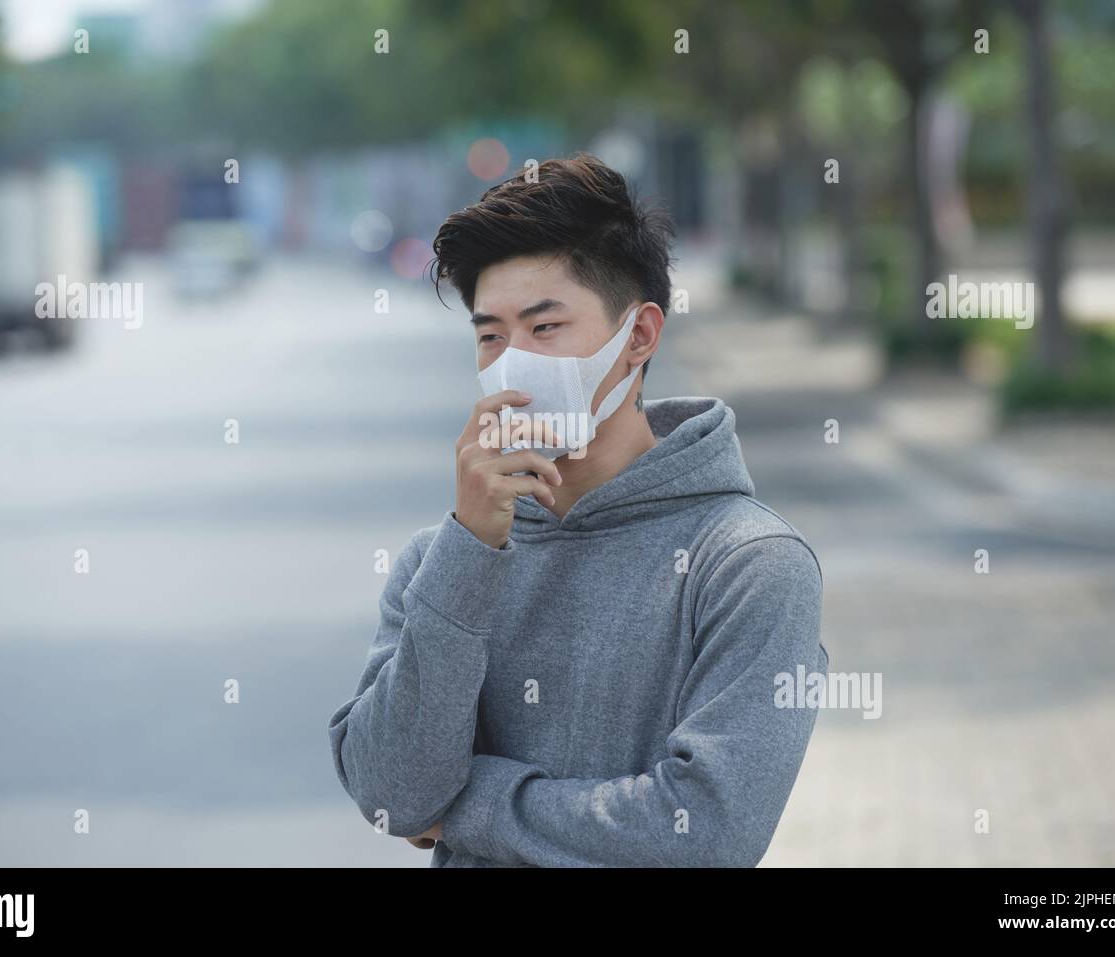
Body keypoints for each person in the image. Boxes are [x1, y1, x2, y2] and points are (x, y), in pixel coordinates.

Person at [328, 153, 828, 867]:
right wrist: (469, 549)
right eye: (490, 335)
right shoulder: (440, 558)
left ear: (641, 336)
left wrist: (467, 804)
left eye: (546, 326)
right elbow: (393, 794)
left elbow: (707, 832)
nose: (512, 362)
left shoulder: (750, 564)